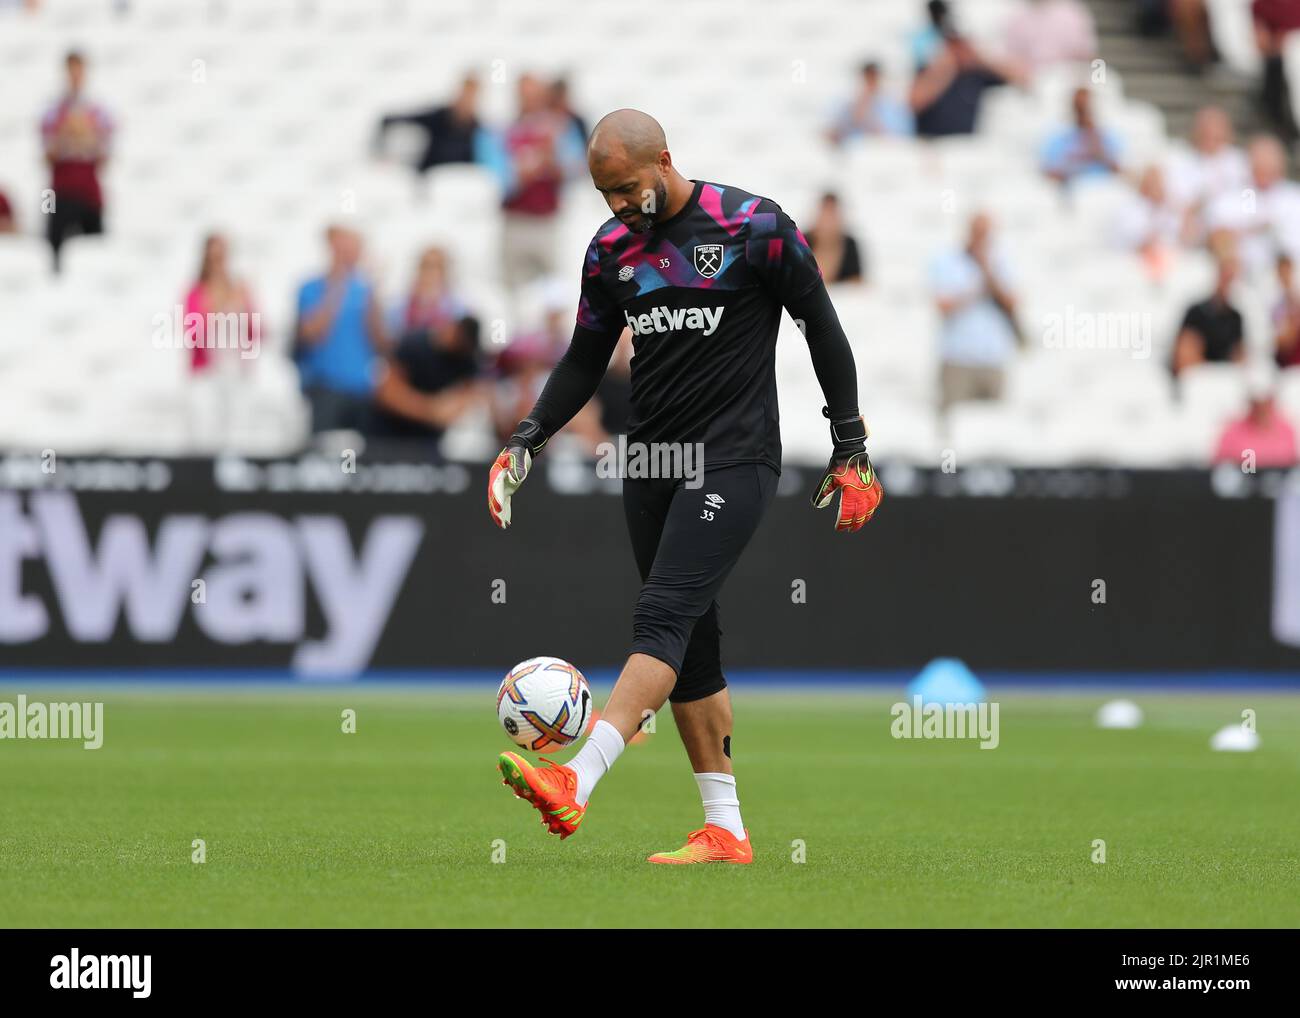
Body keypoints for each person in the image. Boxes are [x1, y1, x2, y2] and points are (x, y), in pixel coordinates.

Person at [487, 109, 882, 864]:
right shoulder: (610, 251)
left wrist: (851, 447)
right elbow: (582, 359)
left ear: (664, 160)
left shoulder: (754, 226)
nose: (618, 207)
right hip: (650, 466)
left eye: (628, 189)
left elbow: (822, 326)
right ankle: (725, 828)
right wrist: (525, 441)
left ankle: (576, 778)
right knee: (692, 648)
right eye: (604, 193)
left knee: (661, 614)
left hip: (734, 459)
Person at [476, 74, 586, 289]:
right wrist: (527, 169)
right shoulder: (501, 132)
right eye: (525, 95)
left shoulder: (560, 129)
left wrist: (552, 160)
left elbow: (577, 170)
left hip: (548, 223)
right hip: (514, 222)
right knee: (512, 289)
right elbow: (500, 183)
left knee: (555, 290)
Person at [372, 248, 482, 451]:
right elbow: (387, 357)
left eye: (437, 267)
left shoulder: (459, 312)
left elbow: (471, 378)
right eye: (426, 266)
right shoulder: (398, 307)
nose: (431, 274)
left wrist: (447, 407)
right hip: (403, 397)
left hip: (437, 401)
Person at [293, 225, 389, 432]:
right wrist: (338, 284)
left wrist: (373, 290)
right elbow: (311, 334)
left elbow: (381, 341)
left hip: (362, 389)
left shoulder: (366, 290)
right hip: (325, 388)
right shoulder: (310, 288)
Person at [931, 212, 1021, 411]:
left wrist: (988, 275)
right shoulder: (948, 260)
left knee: (994, 428)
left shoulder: (1002, 261)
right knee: (952, 423)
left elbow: (1013, 303)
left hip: (993, 358)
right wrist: (975, 289)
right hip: (958, 358)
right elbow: (943, 306)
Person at [40, 50, 112, 271]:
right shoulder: (53, 110)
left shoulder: (97, 110)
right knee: (53, 247)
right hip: (60, 190)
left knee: (96, 250)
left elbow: (104, 155)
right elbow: (46, 156)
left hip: (88, 190)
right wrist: (66, 136)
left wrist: (85, 136)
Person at [1204, 133, 1300, 277]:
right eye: (1260, 166)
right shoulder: (1236, 195)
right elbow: (1218, 235)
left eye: (1270, 167)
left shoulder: (1293, 196)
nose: (1265, 172)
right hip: (1244, 276)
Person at [909, 29, 1027, 138]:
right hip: (931, 143)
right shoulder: (928, 71)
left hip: (967, 146)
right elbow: (912, 104)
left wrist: (982, 58)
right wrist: (943, 70)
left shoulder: (976, 74)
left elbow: (1022, 78)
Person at [1164, 106, 1250, 241]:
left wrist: (1248, 218)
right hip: (1195, 226)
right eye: (1206, 132)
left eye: (1216, 134)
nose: (1210, 137)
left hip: (1235, 229)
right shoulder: (1181, 159)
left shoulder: (1239, 162)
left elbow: (1249, 196)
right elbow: (1177, 199)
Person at [376, 74, 480, 175]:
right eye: (465, 94)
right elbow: (391, 120)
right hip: (430, 179)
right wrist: (382, 152)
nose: (467, 100)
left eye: (471, 96)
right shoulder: (438, 116)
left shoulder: (477, 127)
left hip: (460, 183)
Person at [183, 233, 258, 372]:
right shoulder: (196, 293)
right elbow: (193, 337)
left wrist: (244, 310)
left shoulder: (239, 289)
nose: (218, 264)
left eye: (222, 257)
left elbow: (256, 334)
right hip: (207, 372)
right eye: (214, 258)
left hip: (238, 369)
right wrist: (214, 311)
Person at [1172, 240, 1245, 375]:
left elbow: (1239, 359)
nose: (1228, 281)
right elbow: (1185, 361)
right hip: (1200, 383)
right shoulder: (1196, 313)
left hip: (1224, 382)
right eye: (1224, 274)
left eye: (1231, 275)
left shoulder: (1236, 317)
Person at [1040, 87, 1123, 187]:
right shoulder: (1058, 138)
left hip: (1106, 187)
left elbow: (1120, 171)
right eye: (1079, 107)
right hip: (1073, 190)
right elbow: (1050, 174)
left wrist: (1099, 150)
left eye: (1086, 107)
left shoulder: (1108, 136)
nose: (1083, 112)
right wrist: (1075, 160)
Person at [828, 61, 913, 143]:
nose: (870, 82)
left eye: (873, 78)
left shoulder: (894, 106)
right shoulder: (849, 104)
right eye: (867, 78)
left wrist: (866, 120)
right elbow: (835, 134)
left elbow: (897, 138)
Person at [1002, 0, 1098, 73]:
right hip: (1033, 81)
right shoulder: (1019, 16)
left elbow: (1087, 54)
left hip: (1067, 78)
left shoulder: (1074, 13)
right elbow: (1013, 59)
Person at [1214, 389, 1298, 467]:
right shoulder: (1233, 431)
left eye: (1265, 404)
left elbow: (1292, 462)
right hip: (1245, 479)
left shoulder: (1286, 430)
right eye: (1257, 405)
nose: (1261, 409)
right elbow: (1221, 465)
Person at [805, 192, 865, 284]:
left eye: (832, 213)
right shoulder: (803, 240)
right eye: (826, 212)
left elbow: (857, 281)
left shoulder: (849, 243)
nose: (829, 219)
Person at [1272, 254, 1300, 368]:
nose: (1285, 275)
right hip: (1279, 360)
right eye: (1282, 271)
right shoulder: (1271, 298)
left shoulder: (1295, 298)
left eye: (1287, 271)